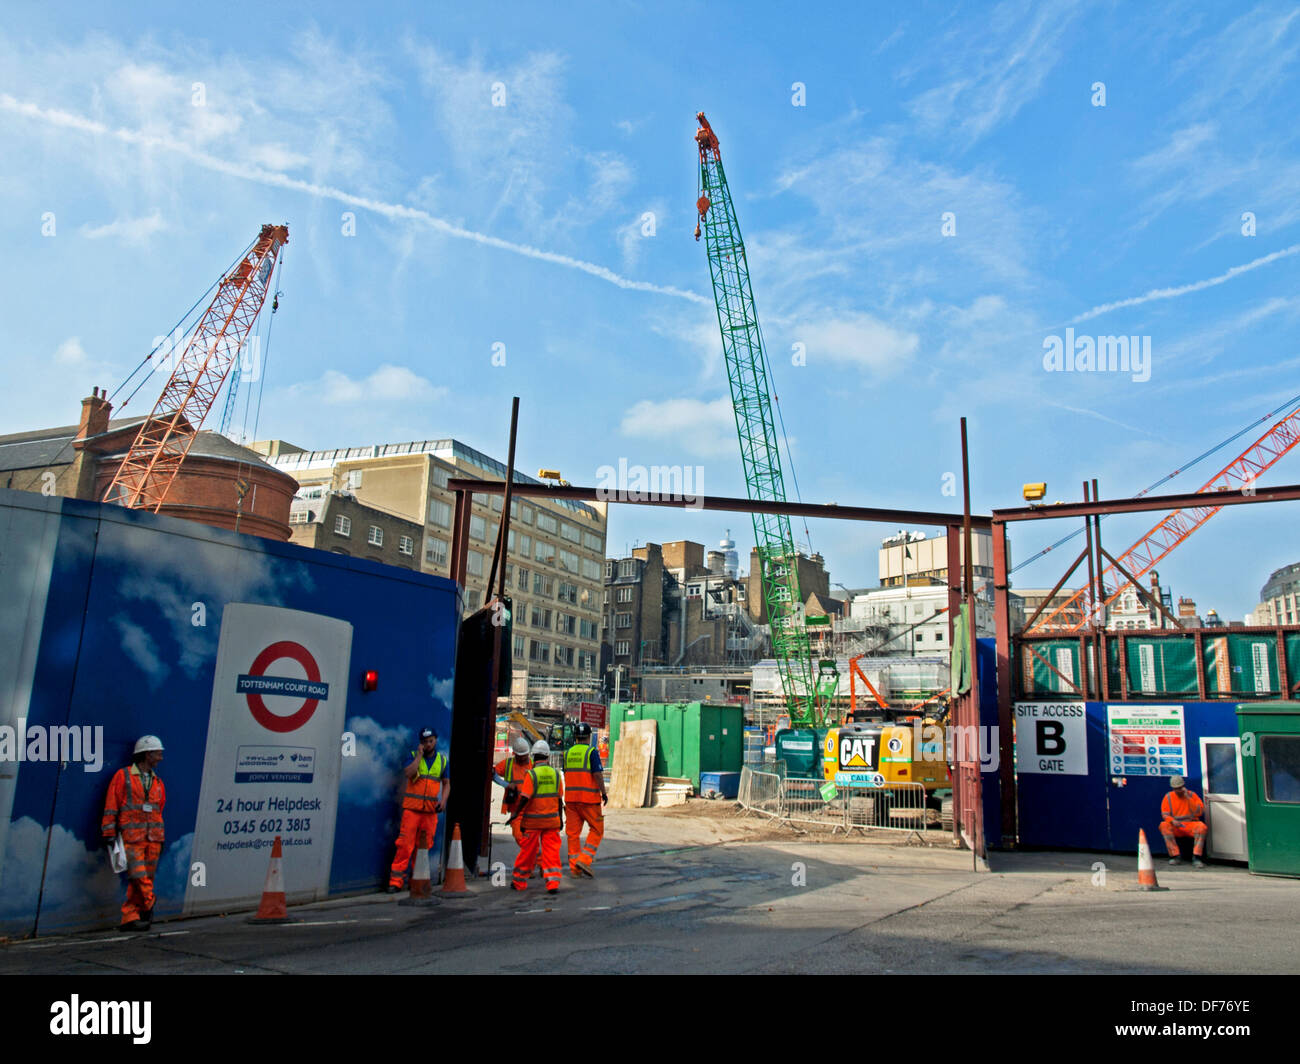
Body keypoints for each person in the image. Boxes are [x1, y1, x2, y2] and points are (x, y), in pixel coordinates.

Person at [102, 735, 166, 932]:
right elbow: (112, 805)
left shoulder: (157, 782)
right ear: (147, 754)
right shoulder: (124, 777)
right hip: (133, 837)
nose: (161, 758)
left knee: (142, 879)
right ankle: (150, 902)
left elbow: (159, 808)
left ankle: (130, 917)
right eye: (158, 753)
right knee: (138, 875)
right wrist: (109, 832)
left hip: (154, 838)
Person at [387, 728, 450, 893]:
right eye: (425, 742)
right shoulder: (414, 756)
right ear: (421, 743)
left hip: (430, 812)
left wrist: (443, 801)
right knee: (404, 846)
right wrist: (419, 756)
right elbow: (409, 773)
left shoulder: (442, 761)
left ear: (435, 740)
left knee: (423, 847)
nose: (428, 744)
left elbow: (446, 783)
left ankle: (416, 880)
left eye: (431, 741)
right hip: (412, 811)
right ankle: (396, 881)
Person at [508, 740, 564, 893]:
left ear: (533, 756)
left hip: (533, 822)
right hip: (552, 821)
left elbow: (525, 798)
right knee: (551, 852)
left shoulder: (531, 775)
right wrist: (560, 819)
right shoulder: (556, 774)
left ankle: (519, 883)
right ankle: (553, 884)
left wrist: (515, 815)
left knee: (528, 852)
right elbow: (559, 800)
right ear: (547, 756)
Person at [563, 722, 608, 878]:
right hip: (589, 800)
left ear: (575, 737)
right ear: (589, 737)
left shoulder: (567, 753)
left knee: (573, 834)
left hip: (571, 800)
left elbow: (567, 773)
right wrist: (604, 792)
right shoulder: (591, 752)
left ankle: (575, 869)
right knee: (597, 829)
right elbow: (597, 774)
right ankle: (584, 859)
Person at [493, 735, 533, 847]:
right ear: (515, 754)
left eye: (525, 755)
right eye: (521, 756)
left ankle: (535, 861)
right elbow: (492, 773)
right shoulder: (508, 764)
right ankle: (534, 859)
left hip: (531, 809)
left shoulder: (533, 765)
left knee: (531, 838)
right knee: (519, 836)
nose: (524, 758)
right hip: (516, 810)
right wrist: (506, 785)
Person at [1160, 775, 1207, 867]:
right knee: (1164, 825)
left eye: (1180, 788)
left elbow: (1198, 812)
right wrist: (1172, 821)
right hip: (1176, 825)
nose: (1179, 790)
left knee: (1201, 827)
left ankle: (1197, 857)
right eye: (1176, 788)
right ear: (1173, 788)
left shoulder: (1192, 795)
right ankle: (1175, 856)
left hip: (1190, 824)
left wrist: (1188, 798)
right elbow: (1165, 814)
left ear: (1183, 786)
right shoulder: (1168, 797)